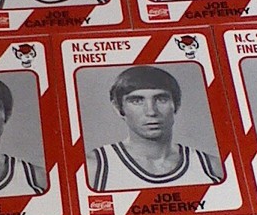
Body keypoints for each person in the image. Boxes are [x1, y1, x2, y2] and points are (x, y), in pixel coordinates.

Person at [85, 65, 223, 191]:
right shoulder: (95, 168)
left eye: (161, 99)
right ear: (118, 108)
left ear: (176, 105)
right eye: (137, 101)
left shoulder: (212, 167)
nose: (151, 111)